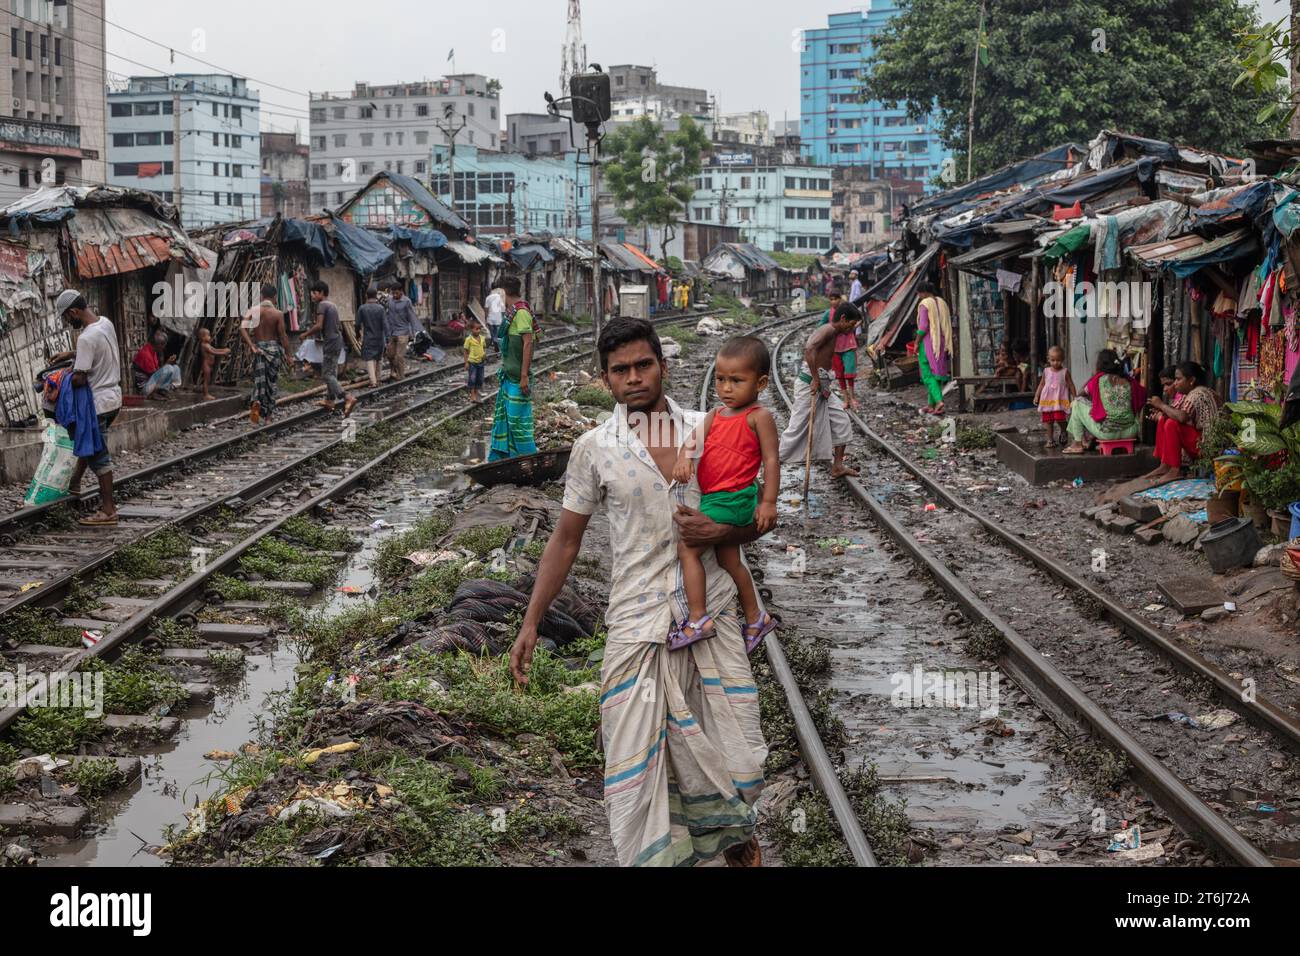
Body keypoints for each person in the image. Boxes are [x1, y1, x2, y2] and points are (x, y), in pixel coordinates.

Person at [509, 318, 767, 868]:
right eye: (620, 370)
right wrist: (530, 621)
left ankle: (737, 843)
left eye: (643, 365)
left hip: (709, 618)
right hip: (636, 624)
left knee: (730, 760)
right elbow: (566, 540)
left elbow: (755, 513)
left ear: (663, 367)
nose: (633, 378)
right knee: (637, 757)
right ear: (605, 380)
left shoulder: (712, 429)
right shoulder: (594, 448)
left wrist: (721, 532)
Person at [671, 336, 781, 653]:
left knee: (688, 548)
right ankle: (755, 617)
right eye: (721, 379)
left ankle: (697, 618)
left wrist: (769, 501)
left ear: (760, 383)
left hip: (733, 498)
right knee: (730, 560)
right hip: (714, 499)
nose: (726, 388)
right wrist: (684, 459)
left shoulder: (758, 417)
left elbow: (772, 460)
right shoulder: (715, 415)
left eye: (736, 380)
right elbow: (692, 440)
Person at [50, 290, 122, 526]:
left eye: (67, 317)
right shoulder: (104, 323)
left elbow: (80, 378)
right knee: (89, 443)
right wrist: (71, 354)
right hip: (114, 398)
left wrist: (60, 377)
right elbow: (97, 349)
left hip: (97, 403)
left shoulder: (85, 339)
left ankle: (108, 510)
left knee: (98, 457)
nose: (67, 322)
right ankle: (74, 484)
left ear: (74, 312)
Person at [778, 302, 861, 479]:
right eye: (852, 324)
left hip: (822, 385)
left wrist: (821, 382)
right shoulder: (828, 330)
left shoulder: (834, 333)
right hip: (810, 384)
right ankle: (773, 460)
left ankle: (837, 466)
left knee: (842, 421)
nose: (852, 328)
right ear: (843, 319)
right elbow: (809, 349)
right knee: (797, 428)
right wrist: (816, 378)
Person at [1144, 361, 1220, 482]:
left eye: (1178, 379)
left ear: (1191, 380)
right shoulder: (1195, 392)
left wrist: (1161, 405)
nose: (1175, 383)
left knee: (1171, 423)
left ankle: (1175, 470)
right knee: (1165, 419)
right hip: (1202, 442)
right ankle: (1165, 465)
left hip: (1207, 447)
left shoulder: (1197, 394)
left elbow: (1182, 417)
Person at [489, 276, 537, 461]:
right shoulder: (512, 312)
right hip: (510, 378)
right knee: (507, 422)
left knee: (519, 424)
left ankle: (529, 460)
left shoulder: (521, 313)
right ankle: (506, 460)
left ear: (503, 292)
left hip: (518, 379)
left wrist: (524, 376)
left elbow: (528, 343)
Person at [1062, 349, 1145, 455]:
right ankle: (1086, 439)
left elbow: (1079, 394)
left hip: (1107, 433)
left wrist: (1094, 376)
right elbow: (1142, 396)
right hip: (1130, 432)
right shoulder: (1129, 380)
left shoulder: (1098, 379)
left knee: (1077, 403)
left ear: (1100, 364)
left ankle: (1078, 443)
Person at [240, 283, 291, 425]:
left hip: (259, 349)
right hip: (273, 351)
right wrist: (289, 355)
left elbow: (242, 328)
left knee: (259, 381)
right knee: (271, 383)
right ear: (275, 297)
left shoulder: (254, 310)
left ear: (261, 296)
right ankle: (268, 417)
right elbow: (283, 336)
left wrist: (251, 345)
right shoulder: (278, 314)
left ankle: (256, 401)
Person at [306, 280, 355, 418]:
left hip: (331, 342)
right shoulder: (332, 305)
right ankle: (330, 400)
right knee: (332, 372)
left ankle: (346, 397)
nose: (312, 296)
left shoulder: (321, 305)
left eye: (314, 293)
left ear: (321, 293)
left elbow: (319, 326)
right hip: (337, 340)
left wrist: (305, 334)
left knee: (327, 374)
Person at [915, 282, 953, 415]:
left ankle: (939, 401)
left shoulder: (925, 303)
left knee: (927, 375)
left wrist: (916, 342)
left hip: (928, 343)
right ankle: (930, 405)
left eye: (919, 293)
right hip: (941, 342)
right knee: (936, 375)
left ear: (924, 292)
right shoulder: (942, 302)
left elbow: (923, 327)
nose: (918, 296)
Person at [1033, 345, 1076, 447]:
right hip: (1047, 400)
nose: (1055, 363)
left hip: (1059, 400)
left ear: (1062, 360)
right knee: (1048, 421)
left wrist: (1075, 397)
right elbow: (1042, 384)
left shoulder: (1065, 372)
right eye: (1053, 360)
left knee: (1060, 418)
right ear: (1048, 359)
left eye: (1058, 360)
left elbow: (1071, 384)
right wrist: (1036, 396)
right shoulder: (1046, 371)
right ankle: (1050, 440)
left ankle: (1064, 430)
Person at [132, 329, 182, 400]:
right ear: (159, 345)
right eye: (163, 345)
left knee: (176, 368)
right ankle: (158, 392)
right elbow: (154, 374)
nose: (164, 348)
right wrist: (167, 364)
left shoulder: (153, 351)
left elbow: (156, 372)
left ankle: (168, 389)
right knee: (169, 368)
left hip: (151, 382)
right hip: (145, 388)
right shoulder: (146, 354)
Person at [385, 282, 421, 381]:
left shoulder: (407, 301)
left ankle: (401, 377)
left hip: (403, 332)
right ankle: (393, 371)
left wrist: (413, 332)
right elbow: (388, 316)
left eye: (396, 293)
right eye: (393, 293)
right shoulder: (390, 301)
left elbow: (411, 317)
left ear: (401, 291)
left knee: (399, 357)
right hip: (393, 332)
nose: (395, 295)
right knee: (390, 355)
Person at [355, 285, 387, 388]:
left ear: (366, 296)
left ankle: (373, 382)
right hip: (380, 338)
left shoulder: (362, 308)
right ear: (376, 295)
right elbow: (385, 324)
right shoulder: (381, 308)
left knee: (369, 359)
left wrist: (357, 334)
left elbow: (357, 324)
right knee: (379, 358)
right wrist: (388, 338)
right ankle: (378, 379)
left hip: (368, 337)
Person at [197, 329, 229, 401]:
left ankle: (207, 393)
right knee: (206, 380)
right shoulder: (204, 345)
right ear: (202, 337)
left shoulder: (208, 345)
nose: (210, 337)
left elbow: (215, 349)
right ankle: (205, 395)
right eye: (208, 335)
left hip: (209, 365)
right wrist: (223, 353)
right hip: (206, 365)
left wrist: (224, 350)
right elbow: (213, 352)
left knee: (208, 380)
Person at [464, 317, 487, 404]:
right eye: (476, 329)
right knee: (472, 378)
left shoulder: (482, 338)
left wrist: (484, 353)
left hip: (481, 361)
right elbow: (465, 351)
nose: (478, 331)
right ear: (471, 329)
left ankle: (477, 393)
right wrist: (466, 362)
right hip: (472, 362)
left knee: (480, 379)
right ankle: (473, 395)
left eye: (479, 329)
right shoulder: (468, 339)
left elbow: (484, 347)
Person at [485, 286, 506, 351]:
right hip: (498, 318)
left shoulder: (488, 298)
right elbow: (503, 307)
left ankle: (494, 342)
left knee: (492, 333)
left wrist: (485, 318)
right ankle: (497, 343)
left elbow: (486, 309)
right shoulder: (499, 297)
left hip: (490, 318)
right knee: (497, 332)